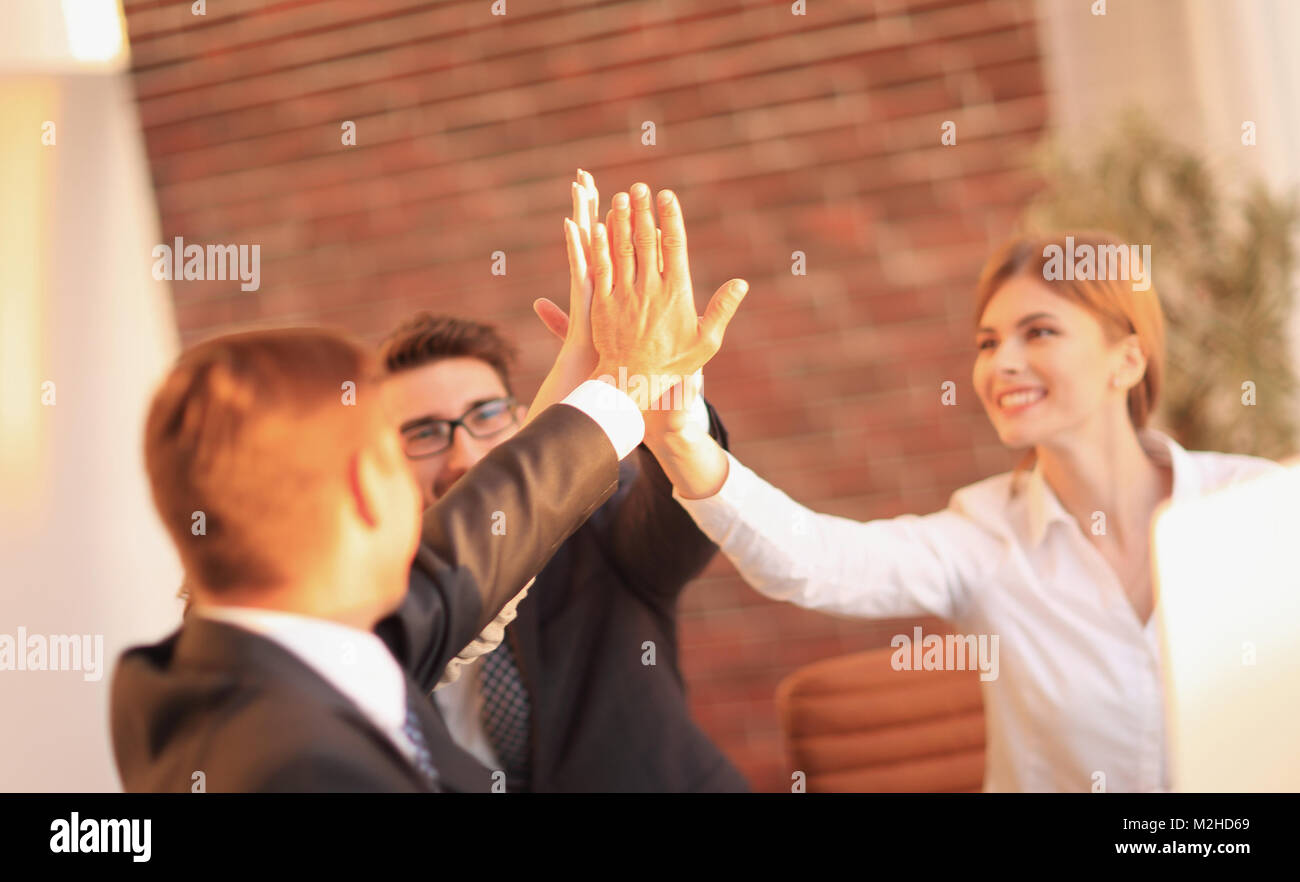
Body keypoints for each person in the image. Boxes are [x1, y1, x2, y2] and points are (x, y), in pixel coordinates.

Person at [109, 191, 749, 791]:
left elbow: (465, 555)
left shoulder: (210, 674)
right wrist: (622, 384)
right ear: (366, 489)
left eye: (487, 419)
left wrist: (616, 387)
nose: (465, 459)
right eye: (411, 441)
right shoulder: (306, 765)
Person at [640, 231, 1283, 792]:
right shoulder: (984, 535)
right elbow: (817, 561)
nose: (1001, 363)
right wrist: (684, 442)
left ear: (1129, 358)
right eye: (986, 342)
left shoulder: (1256, 508)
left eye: (1040, 332)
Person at [380, 173, 750, 792]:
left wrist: (664, 407)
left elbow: (682, 525)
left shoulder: (601, 530)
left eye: (485, 416)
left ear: (526, 420)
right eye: (424, 433)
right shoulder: (380, 601)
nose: (464, 456)